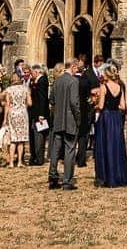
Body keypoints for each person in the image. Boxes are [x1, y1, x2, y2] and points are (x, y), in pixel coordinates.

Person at [91, 62, 127, 188]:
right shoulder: (119, 86)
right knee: (116, 145)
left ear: (106, 75)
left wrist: (95, 105)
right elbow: (123, 106)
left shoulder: (103, 87)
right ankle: (119, 175)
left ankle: (106, 176)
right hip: (116, 117)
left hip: (106, 117)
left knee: (105, 145)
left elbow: (101, 106)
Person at [47, 59, 83, 191]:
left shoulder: (57, 81)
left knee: (56, 150)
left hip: (58, 119)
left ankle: (52, 177)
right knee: (69, 150)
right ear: (72, 67)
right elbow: (74, 103)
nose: (78, 70)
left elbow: (52, 100)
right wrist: (78, 118)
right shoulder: (73, 81)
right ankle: (67, 181)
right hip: (70, 120)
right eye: (77, 68)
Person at [1, 65, 31, 169]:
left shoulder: (9, 90)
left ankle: (10, 162)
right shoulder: (25, 89)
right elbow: (30, 103)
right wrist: (23, 106)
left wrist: (5, 119)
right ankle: (19, 162)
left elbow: (7, 105)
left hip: (12, 113)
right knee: (21, 140)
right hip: (22, 113)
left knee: (13, 139)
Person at [76, 54, 101, 167]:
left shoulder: (103, 74)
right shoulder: (87, 74)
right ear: (96, 63)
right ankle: (81, 158)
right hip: (88, 108)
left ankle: (98, 154)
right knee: (85, 133)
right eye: (100, 62)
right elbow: (83, 90)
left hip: (99, 108)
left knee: (99, 131)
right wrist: (92, 93)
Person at [28, 63, 50, 166]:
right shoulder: (36, 81)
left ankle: (39, 158)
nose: (31, 75)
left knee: (39, 137)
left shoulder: (42, 81)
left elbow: (43, 99)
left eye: (32, 73)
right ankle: (35, 157)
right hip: (35, 113)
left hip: (40, 114)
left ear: (37, 72)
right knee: (35, 136)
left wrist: (41, 114)